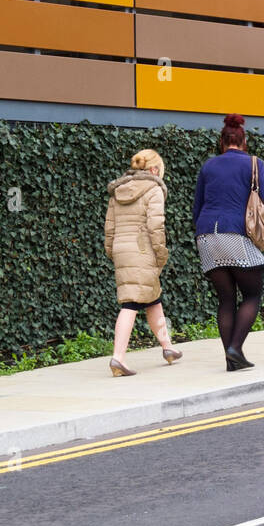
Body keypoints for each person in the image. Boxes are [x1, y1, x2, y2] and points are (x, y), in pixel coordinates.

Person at [192, 115, 264, 371]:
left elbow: (196, 207)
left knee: (226, 300)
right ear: (244, 142)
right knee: (252, 294)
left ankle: (231, 358)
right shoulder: (254, 164)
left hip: (206, 235)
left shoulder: (208, 167)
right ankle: (236, 349)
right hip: (235, 233)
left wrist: (202, 235)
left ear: (222, 143)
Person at [103, 148, 181, 376]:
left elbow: (110, 227)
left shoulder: (118, 191)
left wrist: (112, 251)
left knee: (152, 297)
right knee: (131, 304)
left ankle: (167, 348)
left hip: (121, 249)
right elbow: (155, 227)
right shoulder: (154, 189)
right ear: (154, 169)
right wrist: (161, 253)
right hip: (143, 248)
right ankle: (118, 357)